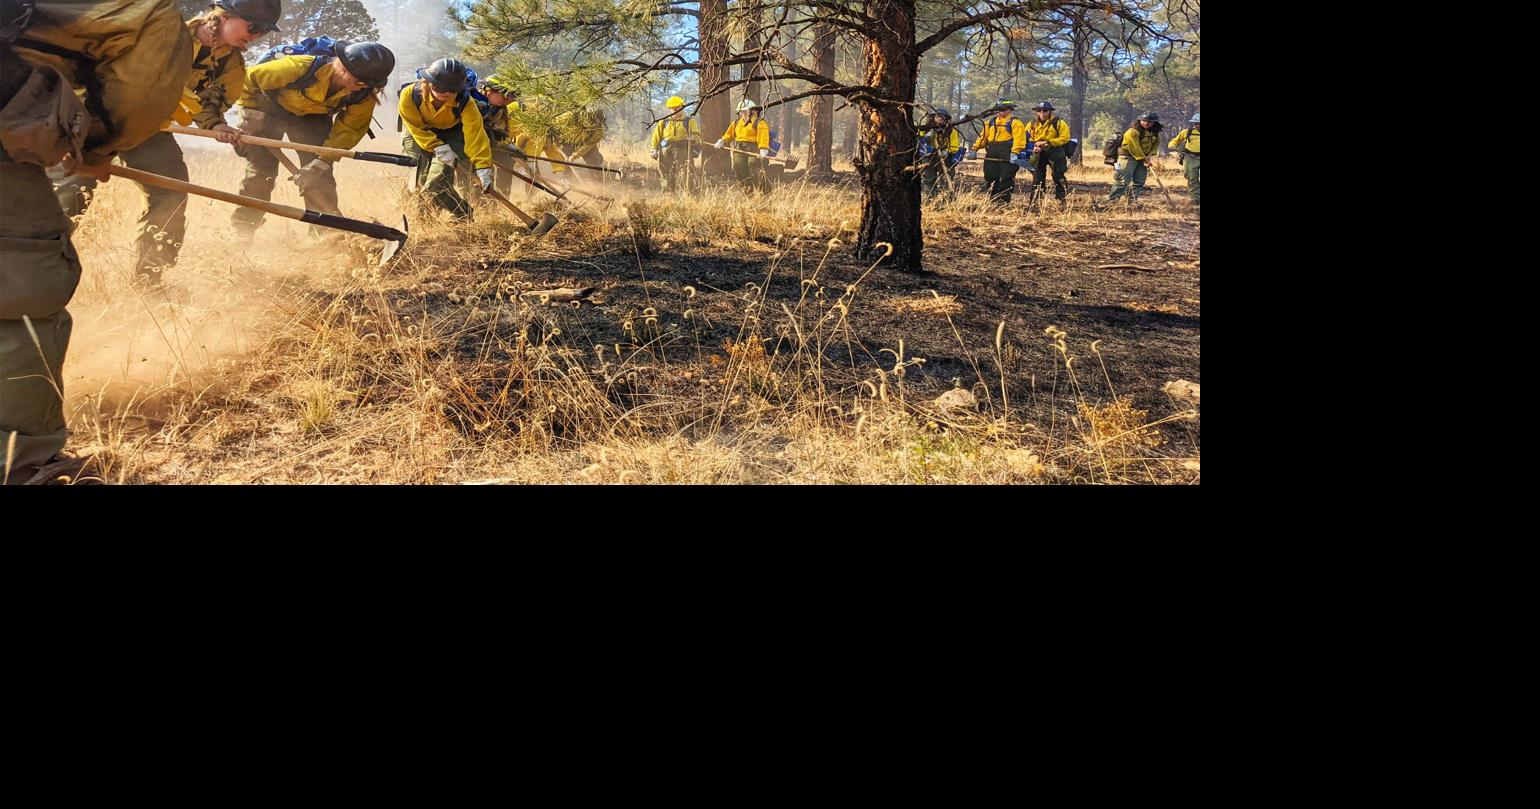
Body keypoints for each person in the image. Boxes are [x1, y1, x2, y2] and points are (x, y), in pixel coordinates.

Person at [2, 0, 192, 484]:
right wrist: (98, 145)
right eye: (251, 27)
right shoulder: (152, 10)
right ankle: (19, 461)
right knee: (26, 287)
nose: (254, 36)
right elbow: (143, 94)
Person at [48, 0, 279, 290]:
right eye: (253, 27)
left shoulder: (231, 65)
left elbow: (209, 102)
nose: (256, 36)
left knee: (172, 193)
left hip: (146, 127)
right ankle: (33, 268)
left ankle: (150, 280)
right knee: (69, 195)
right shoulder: (165, 30)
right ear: (224, 15)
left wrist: (215, 124)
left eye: (263, 32)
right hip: (95, 119)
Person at [229, 38, 393, 239]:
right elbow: (248, 79)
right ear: (343, 69)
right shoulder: (299, 67)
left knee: (320, 177)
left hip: (312, 118)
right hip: (268, 110)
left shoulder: (363, 93)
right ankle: (243, 229)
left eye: (369, 85)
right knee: (261, 171)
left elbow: (350, 129)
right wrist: (250, 115)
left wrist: (322, 161)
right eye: (360, 82)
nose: (362, 88)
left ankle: (325, 235)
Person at [398, 57, 493, 219]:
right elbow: (415, 127)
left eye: (452, 89)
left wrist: (483, 168)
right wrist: (436, 146)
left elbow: (475, 135)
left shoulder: (466, 103)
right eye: (441, 87)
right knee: (418, 180)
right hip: (418, 132)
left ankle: (462, 214)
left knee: (435, 184)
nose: (446, 93)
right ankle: (423, 219)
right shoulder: (409, 95)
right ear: (428, 82)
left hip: (451, 133)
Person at [970, 99, 1027, 205]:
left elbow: (1019, 140)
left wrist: (1015, 152)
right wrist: (974, 149)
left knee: (1006, 177)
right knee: (990, 176)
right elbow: (983, 138)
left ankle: (1003, 201)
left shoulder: (1015, 123)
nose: (999, 112)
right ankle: (993, 200)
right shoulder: (990, 123)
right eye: (997, 109)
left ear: (1010, 110)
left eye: (1002, 109)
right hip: (992, 152)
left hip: (1008, 153)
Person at [475, 72, 519, 197]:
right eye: (507, 95)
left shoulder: (499, 109)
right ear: (489, 91)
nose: (510, 100)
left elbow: (500, 132)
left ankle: (502, 197)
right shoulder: (472, 104)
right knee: (481, 171)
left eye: (512, 96)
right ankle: (480, 202)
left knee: (506, 160)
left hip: (490, 145)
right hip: (471, 147)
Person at [714, 98, 770, 194]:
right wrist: (722, 141)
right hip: (739, 148)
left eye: (745, 111)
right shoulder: (736, 123)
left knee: (754, 166)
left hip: (754, 148)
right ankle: (748, 192)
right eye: (741, 111)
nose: (743, 113)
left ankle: (764, 192)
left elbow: (763, 137)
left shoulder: (759, 122)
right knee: (739, 168)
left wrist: (763, 149)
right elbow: (729, 134)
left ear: (752, 111)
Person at [1108, 111, 1162, 205]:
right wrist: (1145, 159)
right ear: (1139, 120)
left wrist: (1148, 157)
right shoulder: (1132, 132)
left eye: (1149, 122)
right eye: (1144, 121)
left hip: (1143, 160)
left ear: (1154, 123)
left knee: (1139, 181)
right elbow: (1134, 148)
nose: (1146, 123)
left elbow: (1155, 146)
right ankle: (1113, 201)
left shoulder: (1155, 133)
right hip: (1126, 158)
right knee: (1122, 179)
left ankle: (1131, 202)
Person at [649, 94, 700, 193]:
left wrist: (693, 137)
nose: (676, 110)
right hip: (665, 152)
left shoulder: (689, 121)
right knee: (665, 173)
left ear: (682, 107)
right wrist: (654, 149)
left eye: (678, 107)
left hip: (683, 151)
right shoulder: (663, 122)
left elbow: (698, 137)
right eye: (673, 108)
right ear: (670, 109)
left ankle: (690, 194)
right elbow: (656, 137)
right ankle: (667, 193)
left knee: (687, 172)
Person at [1024, 100, 1071, 206]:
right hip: (1038, 152)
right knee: (1037, 176)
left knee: (1058, 175)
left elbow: (1065, 138)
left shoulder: (1058, 123)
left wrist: (1047, 142)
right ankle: (1037, 200)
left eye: (1045, 110)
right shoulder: (1032, 124)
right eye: (1039, 110)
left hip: (1055, 151)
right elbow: (1027, 137)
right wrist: (1034, 147)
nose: (1042, 113)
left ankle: (1062, 200)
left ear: (1050, 111)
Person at [918, 108, 963, 200]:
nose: (940, 118)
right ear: (934, 117)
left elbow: (955, 146)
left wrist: (947, 152)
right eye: (938, 116)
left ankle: (947, 199)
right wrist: (926, 138)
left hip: (945, 157)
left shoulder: (951, 130)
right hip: (929, 157)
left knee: (947, 178)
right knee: (928, 178)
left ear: (946, 118)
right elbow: (919, 141)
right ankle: (930, 199)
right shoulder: (925, 128)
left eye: (942, 117)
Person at [1168, 111, 1199, 209]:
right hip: (1190, 157)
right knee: (1192, 178)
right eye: (1196, 123)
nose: (1198, 125)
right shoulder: (1186, 132)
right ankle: (1195, 198)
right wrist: (1172, 145)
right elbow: (1175, 141)